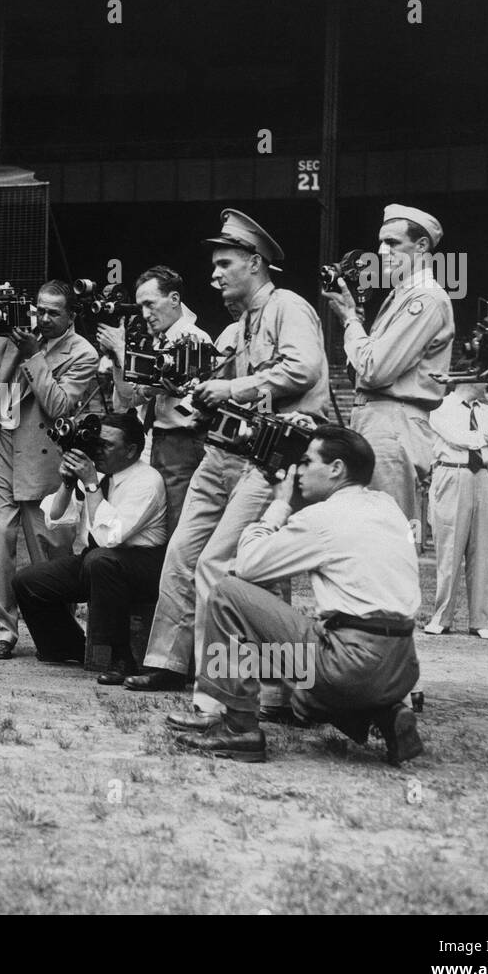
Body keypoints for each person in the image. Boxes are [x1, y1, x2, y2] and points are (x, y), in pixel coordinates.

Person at [126, 209, 330, 716]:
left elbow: (303, 368)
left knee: (225, 566)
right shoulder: (238, 329)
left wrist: (232, 386)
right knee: (182, 556)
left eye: (224, 263)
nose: (213, 275)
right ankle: (172, 662)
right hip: (224, 455)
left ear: (255, 263)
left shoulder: (288, 306)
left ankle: (228, 698)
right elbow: (210, 384)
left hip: (270, 461)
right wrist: (191, 385)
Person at [173, 425, 424, 765]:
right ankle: (385, 716)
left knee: (225, 592)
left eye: (306, 462)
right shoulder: (387, 506)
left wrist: (278, 505)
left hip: (349, 665)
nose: (298, 471)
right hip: (403, 668)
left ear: (336, 468)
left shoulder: (322, 517)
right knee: (307, 690)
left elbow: (248, 565)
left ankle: (238, 728)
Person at [0, 280, 100, 660]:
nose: (44, 318)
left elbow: (61, 407)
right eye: (40, 308)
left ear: (71, 316)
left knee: (49, 548)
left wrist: (34, 356)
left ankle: (58, 635)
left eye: (54, 312)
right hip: (0, 444)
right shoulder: (13, 331)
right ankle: (1, 631)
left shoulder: (83, 354)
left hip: (42, 456)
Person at [323, 203, 455, 531]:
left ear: (422, 246)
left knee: (389, 537)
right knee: (367, 536)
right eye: (381, 242)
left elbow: (376, 370)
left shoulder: (426, 299)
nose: (382, 250)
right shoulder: (399, 296)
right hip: (379, 420)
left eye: (393, 243)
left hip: (393, 424)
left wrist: (351, 321)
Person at [13, 410, 167, 681]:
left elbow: (111, 538)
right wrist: (68, 484)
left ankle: (121, 659)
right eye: (96, 442)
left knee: (102, 561)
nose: (98, 450)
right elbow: (55, 518)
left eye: (107, 445)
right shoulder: (98, 474)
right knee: (27, 581)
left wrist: (92, 485)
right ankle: (65, 646)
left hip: (141, 565)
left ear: (131, 450)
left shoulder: (147, 481)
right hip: (98, 559)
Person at [98, 266, 212, 535]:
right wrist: (118, 359)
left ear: (174, 299)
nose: (145, 314)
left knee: (177, 526)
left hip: (182, 443)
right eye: (140, 306)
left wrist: (121, 351)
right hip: (155, 441)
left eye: (150, 304)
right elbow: (126, 400)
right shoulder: (156, 342)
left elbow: (169, 388)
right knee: (152, 528)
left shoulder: (193, 340)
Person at [424, 380, 488, 639]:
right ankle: (441, 617)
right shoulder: (441, 405)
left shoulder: (486, 409)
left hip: (483, 476)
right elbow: (458, 438)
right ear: (469, 381)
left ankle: (480, 621)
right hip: (452, 474)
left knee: (482, 549)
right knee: (450, 548)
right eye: (484, 381)